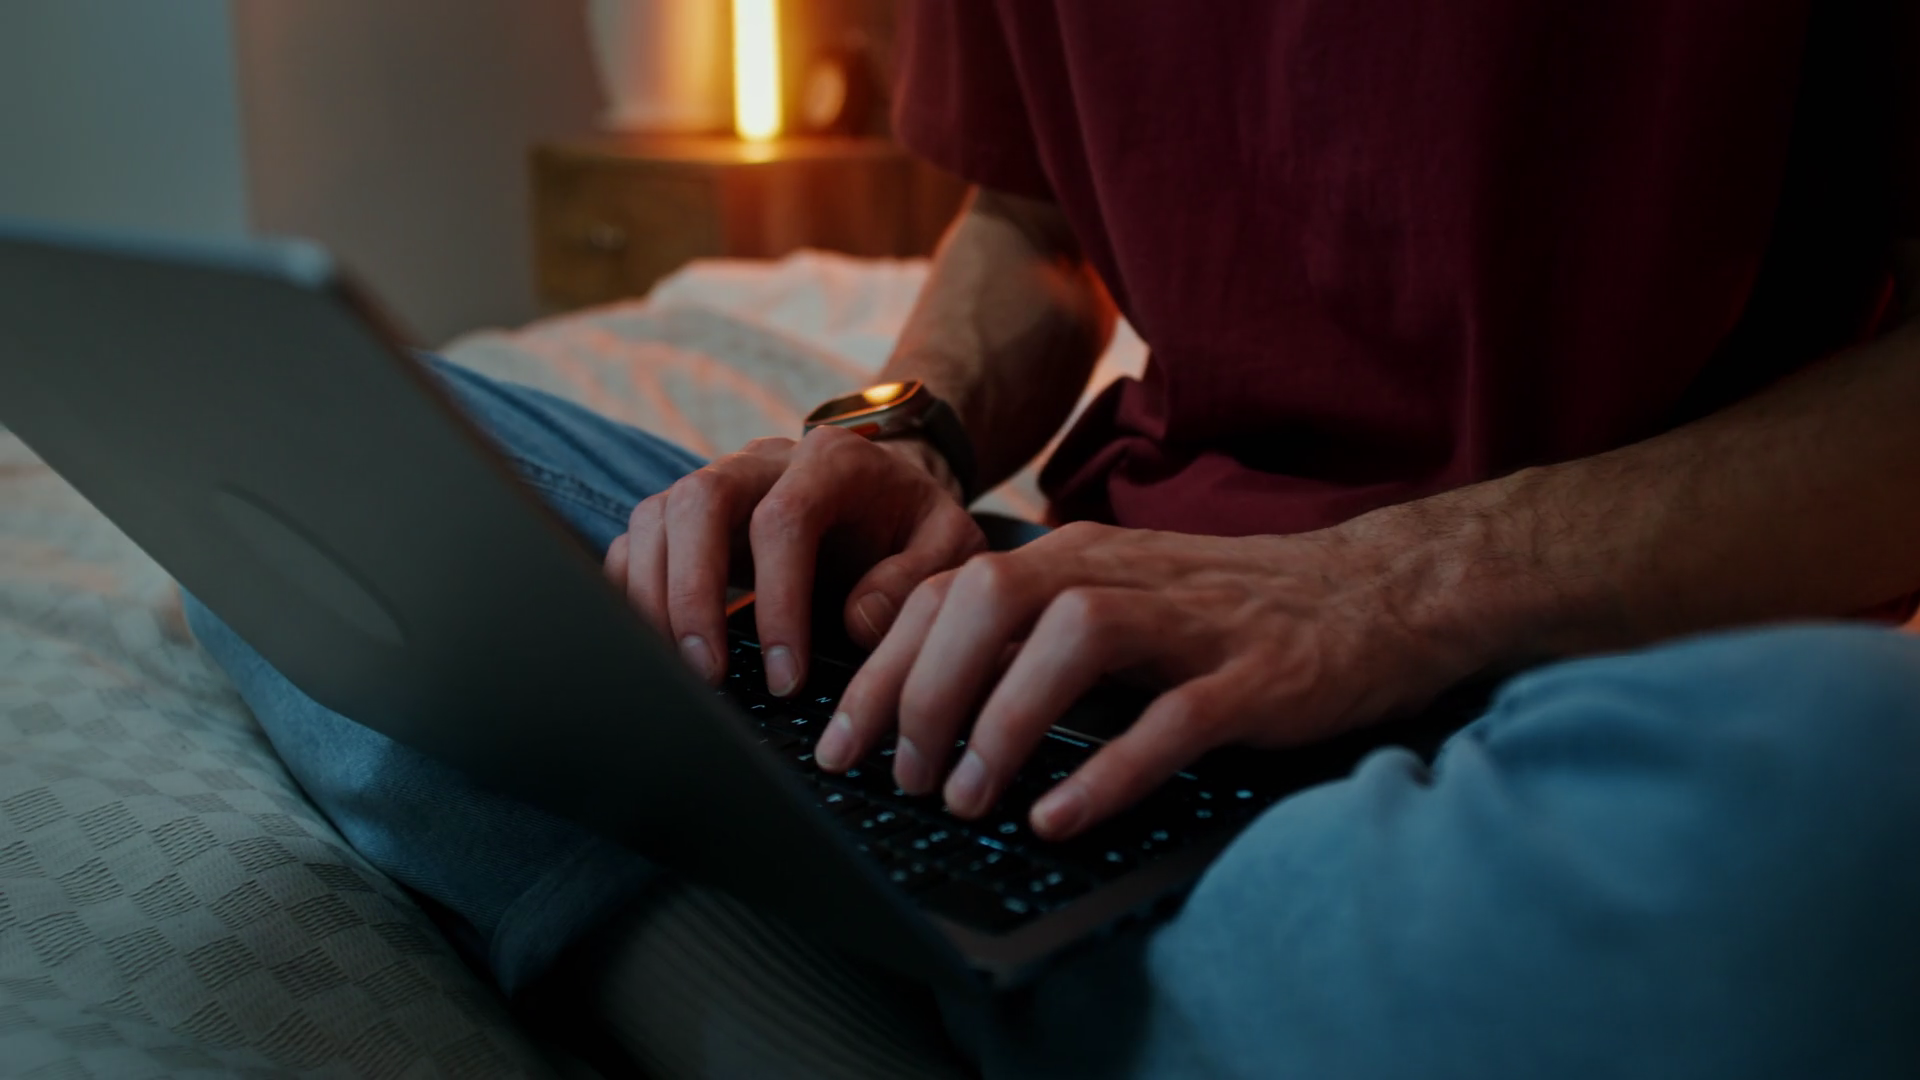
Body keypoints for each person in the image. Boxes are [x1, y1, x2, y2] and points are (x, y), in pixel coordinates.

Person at [186, 2, 1920, 1076]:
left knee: (1861, 801)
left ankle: (853, 956)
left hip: (1571, 681)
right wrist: (898, 429)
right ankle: (907, 972)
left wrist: (1387, 586)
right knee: (301, 452)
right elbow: (1026, 219)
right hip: (1080, 620)